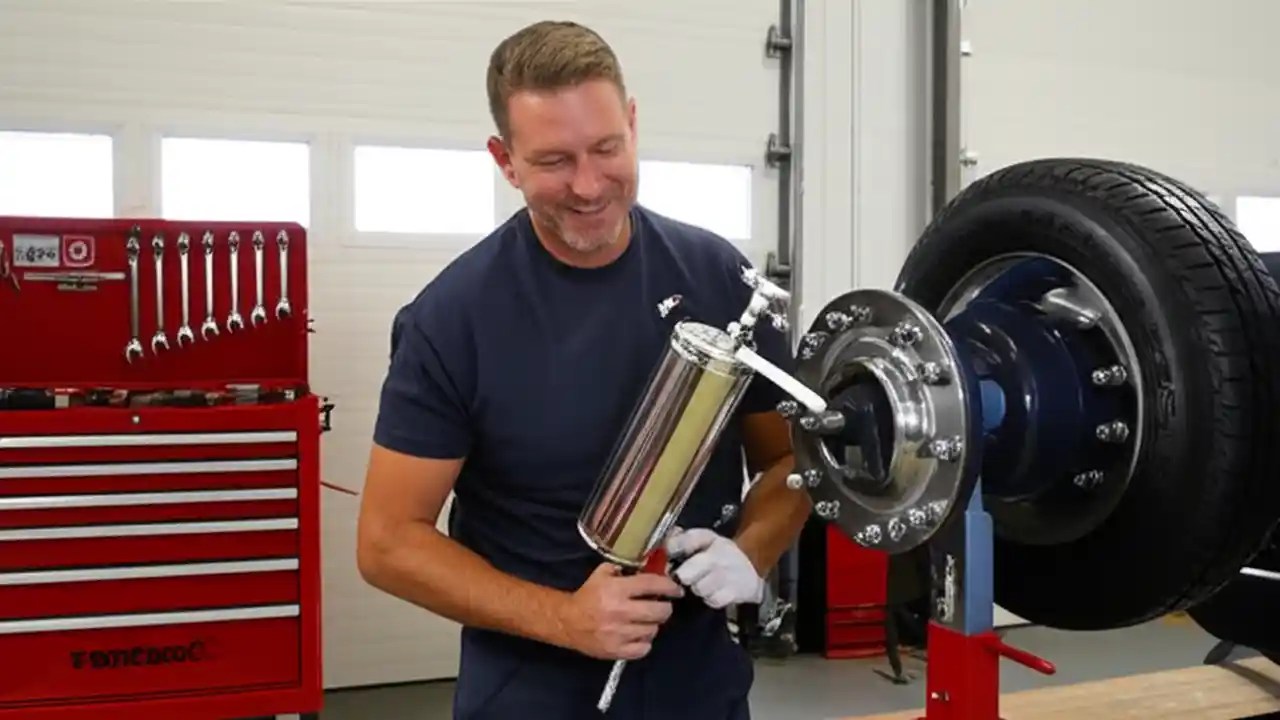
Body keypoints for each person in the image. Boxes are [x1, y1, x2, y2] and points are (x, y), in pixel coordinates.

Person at [356, 19, 811, 720]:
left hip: (699, 689)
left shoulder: (720, 278)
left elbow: (792, 462)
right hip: (528, 694)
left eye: (607, 148)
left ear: (631, 124)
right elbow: (388, 542)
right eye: (554, 161)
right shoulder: (453, 319)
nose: (590, 185)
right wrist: (566, 618)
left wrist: (750, 553)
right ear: (505, 161)